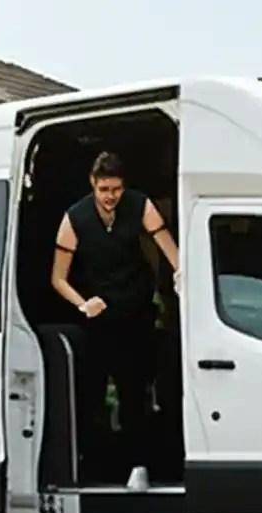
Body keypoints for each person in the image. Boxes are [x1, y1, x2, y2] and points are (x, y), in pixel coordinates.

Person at [51, 151, 180, 487]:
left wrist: (182, 276)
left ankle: (139, 467)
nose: (111, 196)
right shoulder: (75, 218)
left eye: (117, 189)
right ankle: (95, 468)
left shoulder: (139, 205)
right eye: (105, 189)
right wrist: (83, 303)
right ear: (93, 184)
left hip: (136, 312)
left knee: (134, 392)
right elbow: (58, 278)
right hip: (98, 316)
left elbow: (167, 246)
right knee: (93, 394)